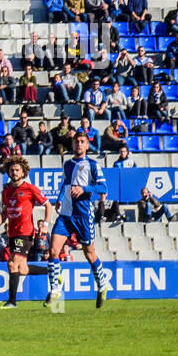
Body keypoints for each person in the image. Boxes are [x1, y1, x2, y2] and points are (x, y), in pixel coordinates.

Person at [44, 132, 108, 312]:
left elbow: (103, 187)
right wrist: (58, 198)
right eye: (76, 142)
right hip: (65, 214)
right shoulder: (67, 164)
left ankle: (102, 284)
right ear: (72, 145)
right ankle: (55, 290)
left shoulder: (93, 165)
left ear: (87, 145)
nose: (79, 145)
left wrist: (84, 188)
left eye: (82, 142)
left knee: (89, 254)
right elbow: (66, 183)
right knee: (53, 250)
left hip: (82, 216)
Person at [0, 157, 54, 308]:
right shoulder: (7, 191)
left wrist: (46, 224)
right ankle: (52, 272)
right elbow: (5, 211)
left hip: (25, 232)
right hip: (12, 233)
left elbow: (48, 205)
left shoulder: (30, 188)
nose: (14, 172)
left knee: (11, 264)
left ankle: (12, 301)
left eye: (17, 170)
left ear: (23, 172)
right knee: (22, 269)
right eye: (11, 170)